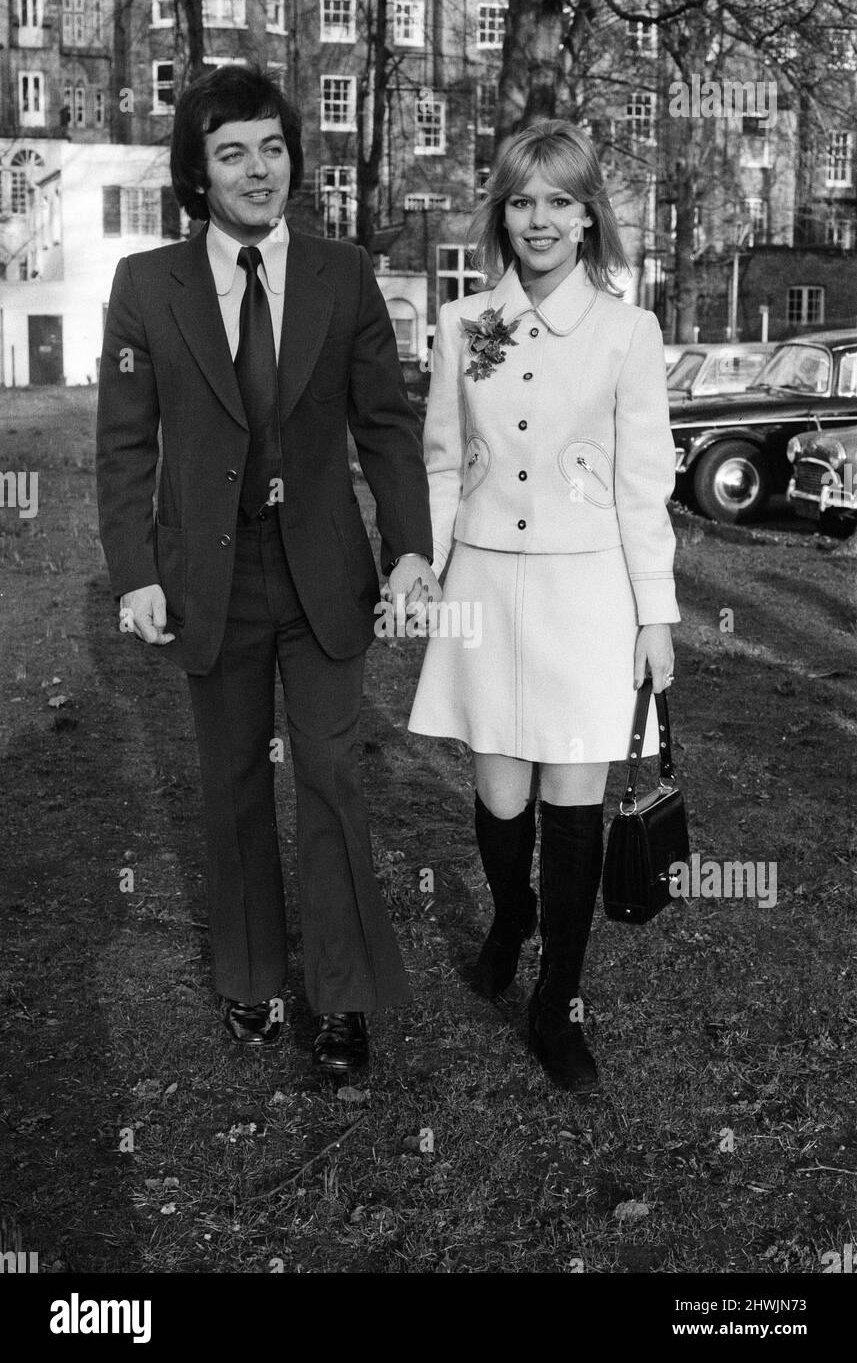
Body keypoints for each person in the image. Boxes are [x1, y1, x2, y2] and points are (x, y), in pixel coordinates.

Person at [96, 66, 440, 1074]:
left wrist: (408, 548)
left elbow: (383, 422)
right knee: (234, 778)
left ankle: (341, 997)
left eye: (272, 148)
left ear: (295, 160)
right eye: (231, 152)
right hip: (208, 578)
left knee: (332, 775)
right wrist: (135, 573)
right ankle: (250, 976)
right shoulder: (143, 285)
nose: (256, 170)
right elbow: (124, 445)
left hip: (323, 573)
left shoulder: (344, 274)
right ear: (197, 175)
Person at [408, 119, 679, 1092]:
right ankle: (509, 912)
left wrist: (655, 616)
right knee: (497, 796)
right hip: (483, 588)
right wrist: (428, 571)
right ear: (500, 211)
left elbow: (643, 486)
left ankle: (555, 993)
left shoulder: (626, 331)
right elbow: (441, 462)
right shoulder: (463, 323)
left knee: (572, 805)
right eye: (521, 199)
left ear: (588, 214)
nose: (538, 219)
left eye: (559, 200)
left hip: (586, 596)